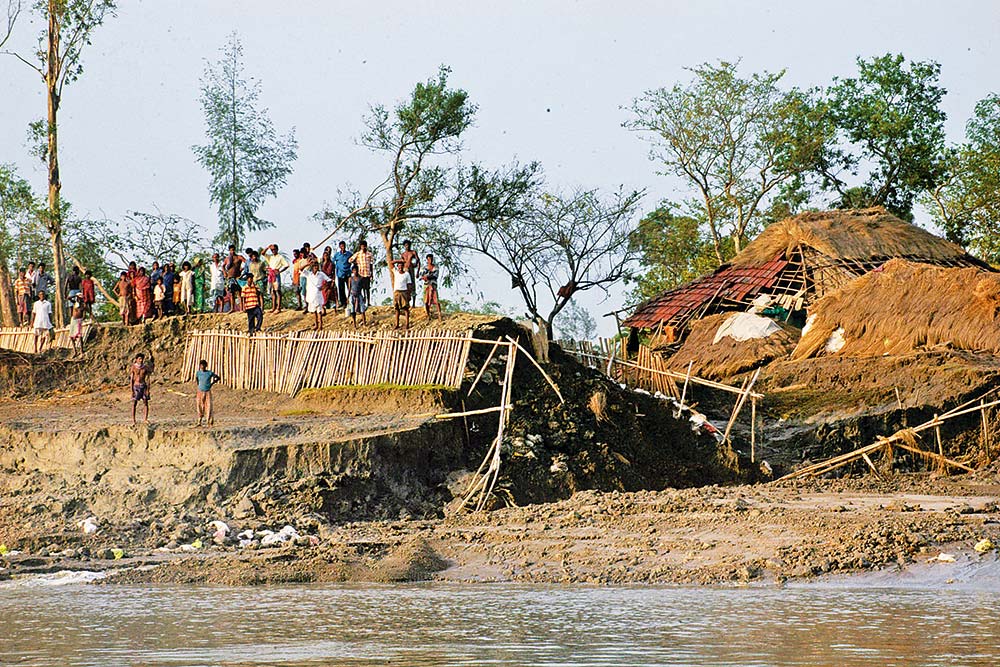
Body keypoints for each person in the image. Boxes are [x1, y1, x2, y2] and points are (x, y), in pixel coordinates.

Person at [303, 260, 330, 331]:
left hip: (318, 295)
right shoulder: (309, 274)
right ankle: (316, 324)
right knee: (313, 311)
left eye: (317, 266)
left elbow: (329, 280)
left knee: (319, 311)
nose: (316, 267)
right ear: (312, 267)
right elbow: (300, 269)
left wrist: (324, 287)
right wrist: (307, 264)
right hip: (311, 295)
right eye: (314, 266)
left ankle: (320, 325)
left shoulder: (321, 274)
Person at [263, 244, 290, 313]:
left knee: (277, 290)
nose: (273, 251)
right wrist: (268, 247)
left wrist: (279, 271)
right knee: (272, 291)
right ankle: (273, 307)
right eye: (272, 250)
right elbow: (263, 253)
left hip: (276, 273)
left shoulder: (280, 257)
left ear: (277, 249)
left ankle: (278, 307)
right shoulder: (270, 257)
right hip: (270, 274)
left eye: (274, 249)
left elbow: (287, 265)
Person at [195, 359, 221, 426]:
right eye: (201, 365)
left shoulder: (209, 373)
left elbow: (218, 378)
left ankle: (208, 421)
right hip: (200, 391)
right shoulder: (198, 373)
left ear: (206, 365)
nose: (202, 366)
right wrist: (199, 385)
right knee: (199, 405)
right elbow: (197, 379)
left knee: (208, 406)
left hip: (207, 391)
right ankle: (199, 420)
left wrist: (211, 384)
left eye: (203, 365)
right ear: (200, 366)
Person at [129, 352, 152, 425]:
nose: (141, 360)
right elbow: (131, 379)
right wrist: (131, 390)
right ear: (136, 360)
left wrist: (148, 389)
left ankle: (145, 419)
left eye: (142, 359)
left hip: (143, 385)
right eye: (139, 359)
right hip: (136, 386)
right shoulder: (133, 367)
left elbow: (148, 379)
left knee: (145, 402)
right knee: (134, 403)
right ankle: (133, 420)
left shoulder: (145, 367)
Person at [350, 241, 374, 308]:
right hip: (360, 274)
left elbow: (371, 264)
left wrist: (372, 273)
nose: (363, 247)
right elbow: (350, 260)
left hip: (367, 273)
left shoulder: (369, 254)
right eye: (362, 246)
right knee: (360, 289)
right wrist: (355, 262)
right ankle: (361, 302)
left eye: (364, 246)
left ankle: (368, 302)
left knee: (367, 288)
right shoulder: (358, 254)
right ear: (360, 247)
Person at [420, 254, 443, 321]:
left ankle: (439, 314)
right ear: (427, 260)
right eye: (429, 259)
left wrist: (427, 277)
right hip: (426, 285)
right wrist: (426, 277)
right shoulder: (424, 268)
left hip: (433, 285)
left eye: (431, 259)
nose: (430, 260)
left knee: (436, 300)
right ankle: (428, 314)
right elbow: (422, 276)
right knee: (426, 301)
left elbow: (435, 276)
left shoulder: (436, 267)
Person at [391, 260, 412, 330]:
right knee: (397, 309)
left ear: (403, 266)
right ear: (397, 267)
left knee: (405, 309)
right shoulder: (396, 272)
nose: (400, 267)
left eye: (401, 265)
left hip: (404, 292)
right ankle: (397, 324)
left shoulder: (406, 274)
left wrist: (409, 294)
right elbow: (391, 263)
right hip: (396, 292)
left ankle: (407, 324)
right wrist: (399, 260)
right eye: (399, 266)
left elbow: (409, 284)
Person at [223, 246, 245, 312]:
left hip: (237, 277)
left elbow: (246, 263)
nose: (232, 251)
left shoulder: (239, 257)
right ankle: (232, 308)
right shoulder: (227, 259)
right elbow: (223, 266)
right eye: (230, 250)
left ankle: (241, 308)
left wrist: (242, 269)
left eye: (233, 250)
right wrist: (224, 272)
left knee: (239, 293)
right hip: (230, 277)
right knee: (232, 294)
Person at [332, 241, 352, 310]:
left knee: (350, 288)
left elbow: (353, 260)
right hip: (340, 274)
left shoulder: (349, 254)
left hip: (348, 273)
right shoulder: (337, 255)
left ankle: (351, 302)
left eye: (343, 246)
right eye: (341, 246)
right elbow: (332, 261)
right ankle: (343, 303)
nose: (342, 247)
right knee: (341, 289)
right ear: (339, 247)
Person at [400, 240, 419, 308]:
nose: (407, 246)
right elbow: (401, 263)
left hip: (411, 269)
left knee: (412, 285)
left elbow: (418, 260)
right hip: (405, 270)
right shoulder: (403, 254)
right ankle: (406, 302)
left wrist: (416, 269)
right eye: (405, 245)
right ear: (404, 246)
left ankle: (413, 303)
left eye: (408, 245)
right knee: (405, 286)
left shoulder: (413, 252)